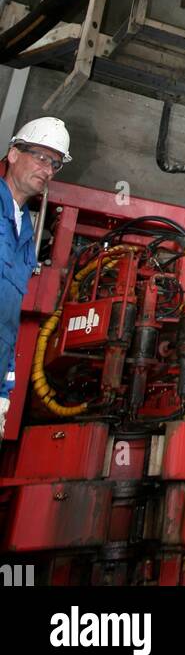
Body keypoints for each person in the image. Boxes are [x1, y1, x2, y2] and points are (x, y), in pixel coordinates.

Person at [0, 117, 71, 441]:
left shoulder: (26, 232)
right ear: (14, 153)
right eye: (41, 157)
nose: (47, 169)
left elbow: (7, 326)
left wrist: (4, 391)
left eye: (55, 164)